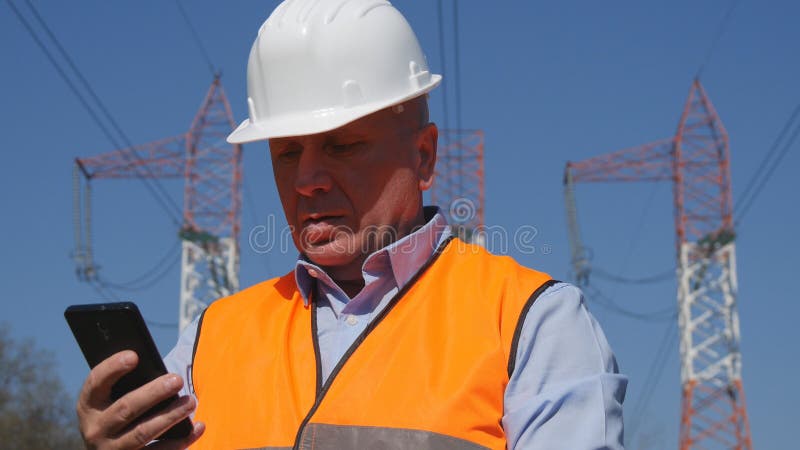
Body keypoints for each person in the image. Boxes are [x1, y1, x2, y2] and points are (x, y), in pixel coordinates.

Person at [76, 1, 627, 449]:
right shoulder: (208, 341)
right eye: (286, 153)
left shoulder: (532, 323)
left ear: (425, 156)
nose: (307, 179)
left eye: (343, 146)